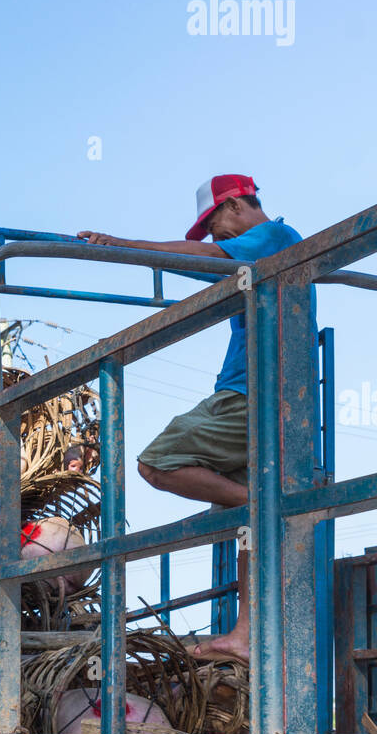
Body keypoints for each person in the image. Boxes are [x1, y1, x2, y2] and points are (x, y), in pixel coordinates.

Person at [79, 174, 315, 664]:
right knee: (242, 524)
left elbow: (201, 259)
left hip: (250, 393)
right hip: (273, 394)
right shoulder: (261, 257)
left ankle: (262, 505)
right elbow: (207, 261)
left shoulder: (274, 236)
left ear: (235, 205)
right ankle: (247, 632)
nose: (215, 239)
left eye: (214, 226)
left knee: (158, 462)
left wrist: (123, 245)